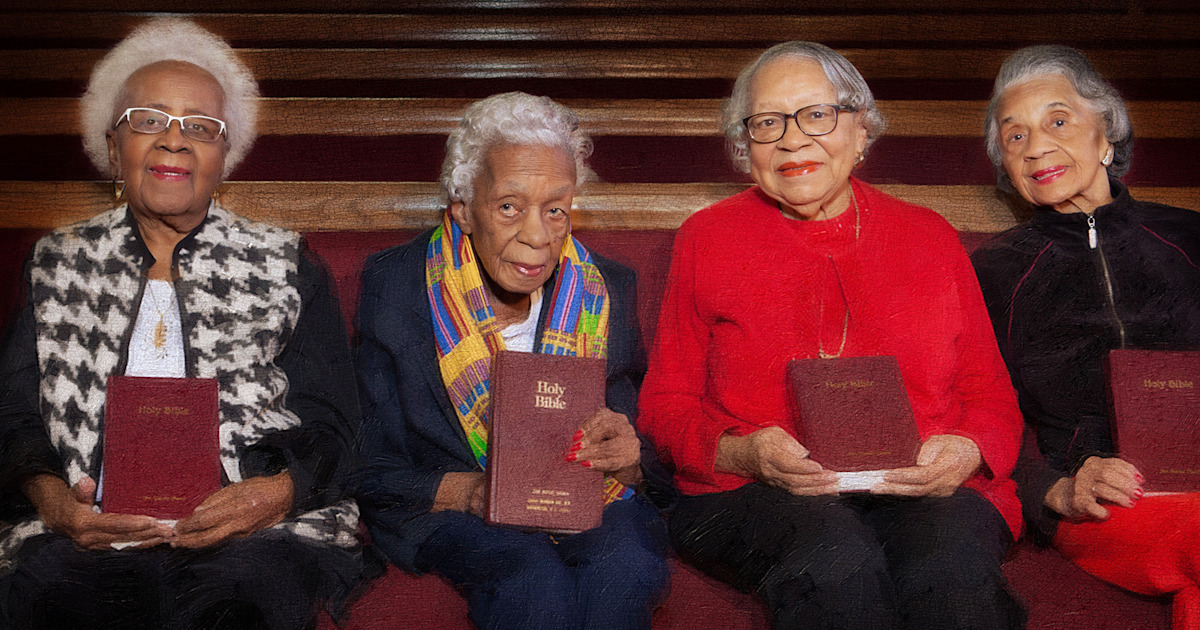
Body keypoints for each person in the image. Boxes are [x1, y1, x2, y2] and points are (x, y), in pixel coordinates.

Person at [637, 41, 1027, 629]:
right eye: (768, 122)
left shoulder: (930, 237)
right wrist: (745, 452)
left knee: (953, 578)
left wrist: (966, 450)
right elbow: (666, 408)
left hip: (919, 488)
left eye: (816, 114)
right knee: (836, 563)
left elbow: (991, 395)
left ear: (861, 130)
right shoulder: (706, 239)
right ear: (745, 147)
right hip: (753, 493)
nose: (793, 140)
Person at [0, 19, 361, 630]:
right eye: (149, 120)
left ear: (226, 157)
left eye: (201, 127)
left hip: (252, 534)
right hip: (85, 533)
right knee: (61, 594)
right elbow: (12, 416)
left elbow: (337, 423)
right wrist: (56, 503)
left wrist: (275, 494)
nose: (175, 141)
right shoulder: (56, 263)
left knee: (240, 594)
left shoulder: (286, 261)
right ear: (113, 146)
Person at [354, 91, 671, 630]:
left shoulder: (608, 289)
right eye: (509, 206)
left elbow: (650, 451)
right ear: (463, 209)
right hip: (457, 506)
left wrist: (628, 460)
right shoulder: (396, 288)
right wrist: (467, 492)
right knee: (531, 577)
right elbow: (369, 462)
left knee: (626, 568)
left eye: (555, 209)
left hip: (589, 500)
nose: (537, 236)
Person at [971, 44, 1200, 628]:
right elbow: (973, 410)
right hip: (1105, 499)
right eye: (1014, 135)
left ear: (1107, 134)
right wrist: (1054, 488)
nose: (1036, 145)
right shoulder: (991, 273)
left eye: (1058, 120)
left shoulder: (1190, 238)